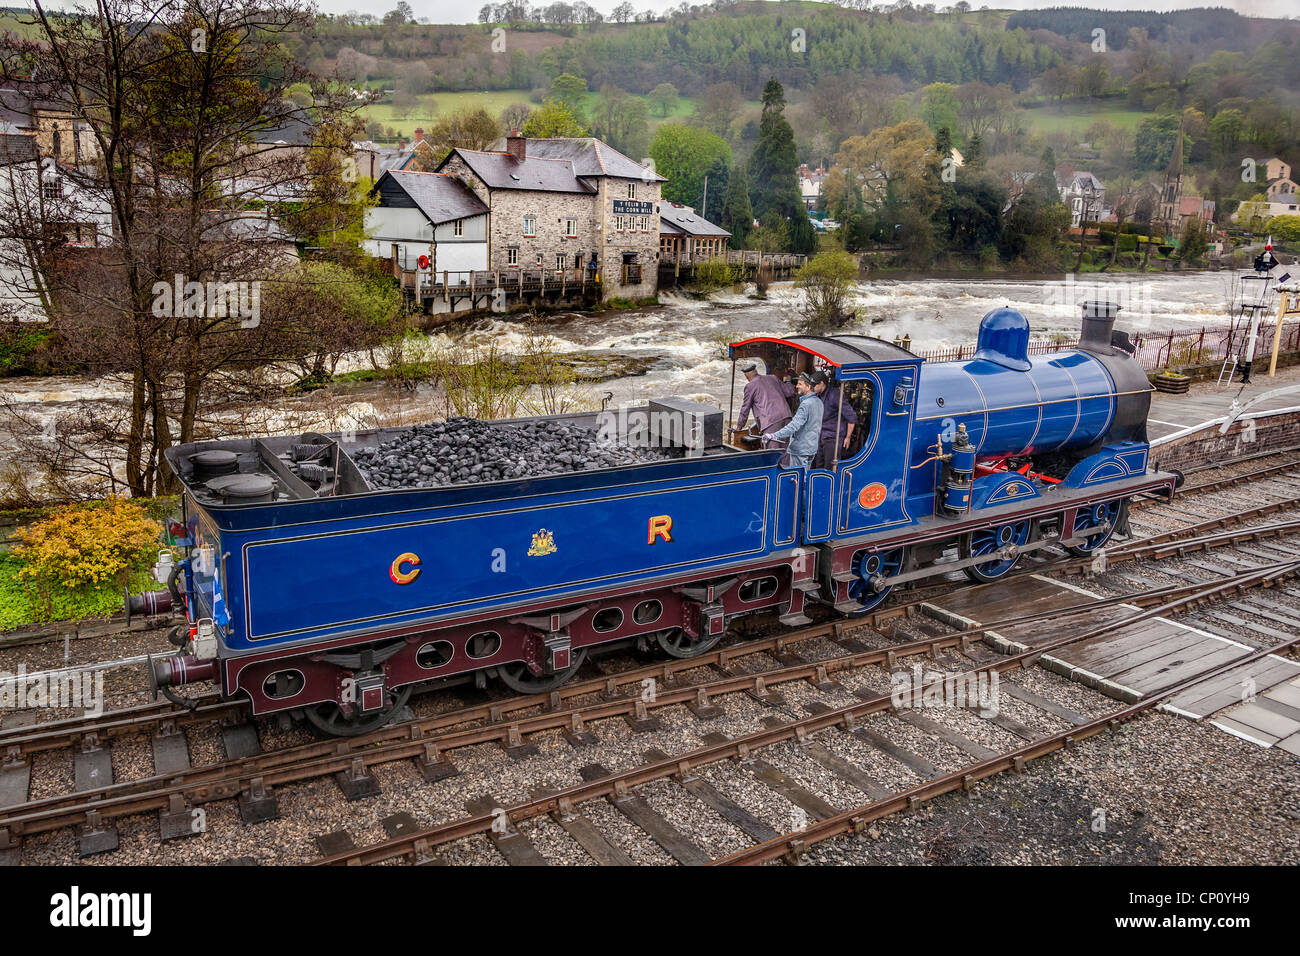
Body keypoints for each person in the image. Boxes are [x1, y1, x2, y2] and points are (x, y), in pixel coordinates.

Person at [764, 372, 823, 470]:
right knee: (805, 476)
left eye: (800, 384)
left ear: (808, 387)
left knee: (797, 478)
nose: (796, 386)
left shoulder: (806, 404)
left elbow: (794, 426)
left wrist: (774, 435)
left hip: (800, 449)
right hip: (811, 448)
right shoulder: (819, 402)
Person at [734, 361, 796, 449]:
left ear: (746, 376)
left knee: (772, 451)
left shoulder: (750, 386)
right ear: (756, 371)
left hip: (770, 422)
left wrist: (739, 426)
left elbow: (745, 408)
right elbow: (789, 392)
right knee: (786, 450)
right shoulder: (773, 378)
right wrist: (789, 381)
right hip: (787, 417)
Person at [811, 371, 858, 468]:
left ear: (821, 384)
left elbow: (851, 416)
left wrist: (848, 437)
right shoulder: (817, 395)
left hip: (833, 438)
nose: (812, 388)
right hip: (820, 436)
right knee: (818, 465)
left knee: (830, 467)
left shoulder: (835, 395)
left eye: (814, 385)